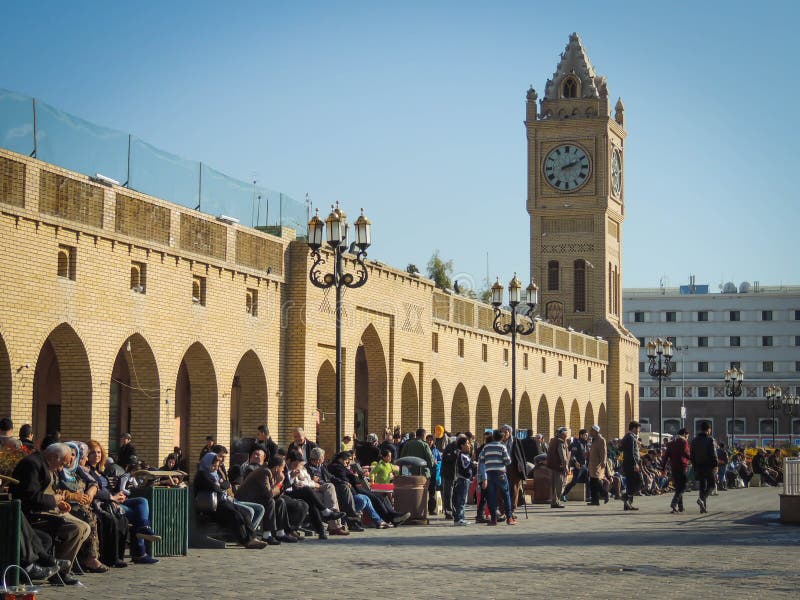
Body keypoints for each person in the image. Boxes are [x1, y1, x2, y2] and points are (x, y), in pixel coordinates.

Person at [10, 442, 90, 585]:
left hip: (47, 509)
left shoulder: (47, 464)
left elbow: (51, 491)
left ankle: (59, 569)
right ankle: (57, 569)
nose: (61, 468)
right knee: (76, 529)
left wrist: (58, 502)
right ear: (54, 457)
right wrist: (54, 500)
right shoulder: (32, 464)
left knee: (85, 528)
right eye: (61, 464)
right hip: (33, 513)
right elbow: (32, 497)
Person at [84, 439, 161, 564]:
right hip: (104, 504)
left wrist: (118, 495)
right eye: (93, 452)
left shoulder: (100, 471)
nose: (96, 455)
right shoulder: (87, 471)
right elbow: (95, 491)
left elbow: (108, 489)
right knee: (135, 514)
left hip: (113, 499)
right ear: (87, 455)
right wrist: (113, 497)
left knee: (142, 501)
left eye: (98, 452)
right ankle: (140, 551)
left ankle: (144, 528)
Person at [194, 452, 267, 548]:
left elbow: (227, 484)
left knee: (245, 513)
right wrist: (219, 484)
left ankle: (252, 538)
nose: (215, 468)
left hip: (223, 501)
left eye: (217, 466)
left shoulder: (215, 474)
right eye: (213, 466)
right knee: (236, 515)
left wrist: (219, 484)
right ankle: (245, 541)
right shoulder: (202, 475)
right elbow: (215, 488)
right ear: (207, 463)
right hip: (213, 508)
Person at [478, 429, 515, 525]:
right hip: (500, 473)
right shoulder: (502, 447)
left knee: (491, 496)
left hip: (489, 474)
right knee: (506, 495)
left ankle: (493, 519)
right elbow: (508, 461)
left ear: (493, 437)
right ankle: (509, 517)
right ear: (502, 438)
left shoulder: (486, 447)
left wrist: (484, 477)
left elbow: (481, 460)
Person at [690, 421, 717, 513]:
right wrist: (715, 465)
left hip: (698, 467)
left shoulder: (694, 440)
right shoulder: (710, 440)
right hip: (708, 467)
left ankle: (703, 508)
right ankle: (702, 499)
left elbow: (692, 455)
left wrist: (694, 466)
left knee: (702, 487)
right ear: (708, 429)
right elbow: (713, 454)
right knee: (712, 485)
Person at [499, 424, 527, 512]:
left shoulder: (515, 441)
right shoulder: (499, 442)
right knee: (502, 489)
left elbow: (520, 454)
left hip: (514, 467)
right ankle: (503, 509)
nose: (504, 434)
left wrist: (521, 465)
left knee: (514, 488)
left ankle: (512, 508)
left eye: (506, 432)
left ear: (510, 433)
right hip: (502, 468)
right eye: (502, 432)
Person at [663, 428, 690, 513]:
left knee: (678, 486)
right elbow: (686, 453)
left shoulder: (671, 443)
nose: (687, 438)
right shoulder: (684, 442)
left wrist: (663, 468)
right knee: (683, 486)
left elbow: (665, 456)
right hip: (682, 466)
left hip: (673, 467)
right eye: (687, 436)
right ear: (684, 434)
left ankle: (680, 507)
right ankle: (674, 503)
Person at [452, 436, 474, 526]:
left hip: (464, 480)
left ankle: (461, 517)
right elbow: (465, 467)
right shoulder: (462, 456)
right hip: (463, 480)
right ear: (462, 445)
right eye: (467, 444)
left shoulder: (465, 455)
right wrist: (473, 464)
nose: (469, 445)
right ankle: (459, 519)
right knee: (461, 500)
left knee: (461, 500)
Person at [562, 428, 589, 502]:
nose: (586, 436)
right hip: (578, 466)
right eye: (585, 435)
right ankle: (563, 494)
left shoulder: (585, 443)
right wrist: (575, 462)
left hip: (584, 466)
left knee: (588, 480)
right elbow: (572, 455)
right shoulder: (577, 443)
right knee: (574, 481)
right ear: (581, 435)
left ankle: (588, 496)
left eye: (587, 435)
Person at [546, 427, 570, 509]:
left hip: (552, 466)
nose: (567, 435)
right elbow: (563, 456)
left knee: (554, 485)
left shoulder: (553, 441)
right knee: (560, 485)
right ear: (562, 434)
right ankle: (556, 502)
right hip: (559, 467)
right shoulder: (560, 442)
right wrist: (566, 467)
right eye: (566, 433)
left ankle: (554, 502)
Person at [621, 421, 642, 511]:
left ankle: (628, 504)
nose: (639, 431)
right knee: (640, 481)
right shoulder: (630, 437)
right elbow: (630, 453)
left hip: (628, 464)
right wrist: (635, 464)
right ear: (634, 428)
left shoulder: (628, 437)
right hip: (631, 464)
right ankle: (626, 496)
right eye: (638, 429)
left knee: (631, 483)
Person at [587, 425, 608, 506]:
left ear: (595, 431)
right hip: (592, 464)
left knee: (596, 481)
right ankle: (595, 501)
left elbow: (604, 452)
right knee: (592, 482)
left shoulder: (601, 440)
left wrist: (603, 462)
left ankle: (605, 494)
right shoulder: (593, 439)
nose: (590, 432)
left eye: (591, 430)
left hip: (598, 464)